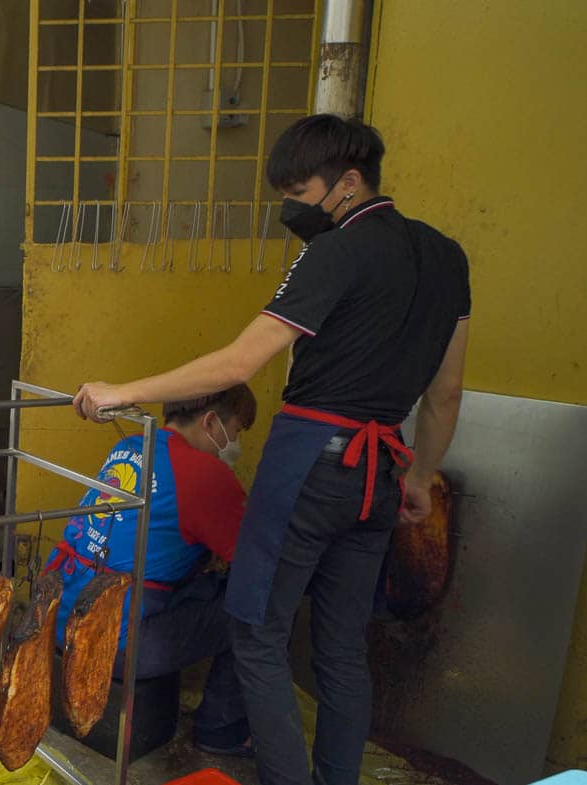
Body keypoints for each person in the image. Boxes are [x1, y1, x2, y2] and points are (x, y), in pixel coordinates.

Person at [71, 114, 470, 785]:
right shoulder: (446, 257)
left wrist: (120, 389)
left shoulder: (337, 252)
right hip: (381, 466)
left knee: (254, 628)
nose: (293, 208)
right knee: (342, 647)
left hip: (312, 455)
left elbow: (236, 365)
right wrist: (422, 475)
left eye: (301, 191)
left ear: (350, 180)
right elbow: (446, 393)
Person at [48, 384, 257, 756]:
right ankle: (221, 730)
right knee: (253, 610)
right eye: (236, 431)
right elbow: (258, 564)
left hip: (62, 619)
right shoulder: (206, 475)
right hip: (116, 643)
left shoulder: (128, 447)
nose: (234, 445)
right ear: (211, 422)